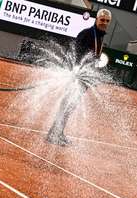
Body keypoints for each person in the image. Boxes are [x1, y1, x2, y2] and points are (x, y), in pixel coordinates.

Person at [46, 8, 112, 146]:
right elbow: (75, 53)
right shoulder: (87, 33)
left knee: (70, 107)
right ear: (96, 19)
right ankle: (53, 134)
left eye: (107, 21)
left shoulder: (99, 36)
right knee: (66, 105)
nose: (104, 23)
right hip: (76, 76)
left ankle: (58, 132)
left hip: (83, 78)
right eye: (102, 20)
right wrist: (76, 72)